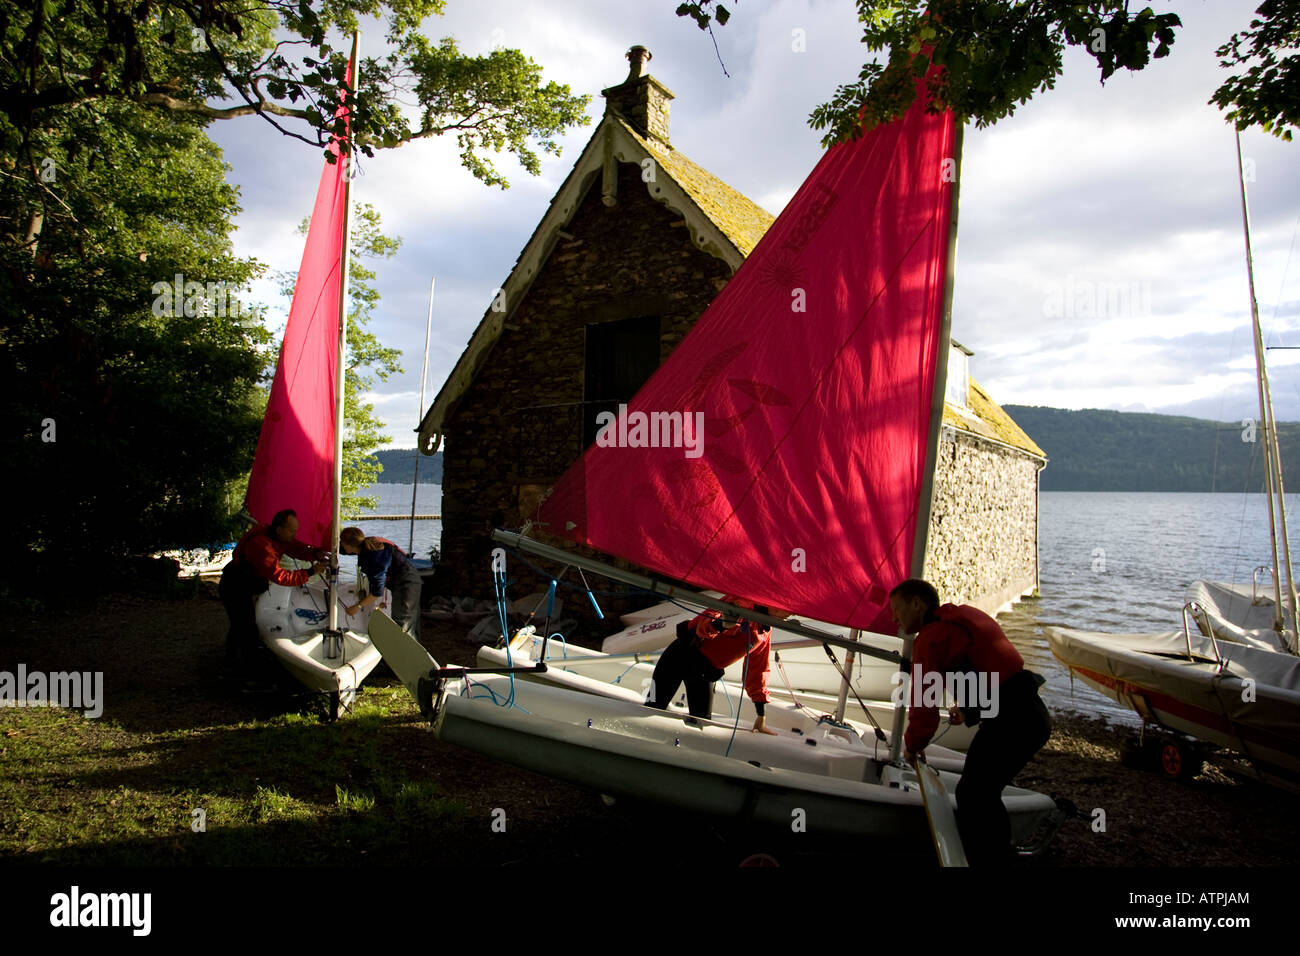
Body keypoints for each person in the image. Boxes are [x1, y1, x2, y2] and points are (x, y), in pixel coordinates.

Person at [889, 577, 1051, 867]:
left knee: (974, 794)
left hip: (1015, 720)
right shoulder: (962, 616)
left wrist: (912, 746)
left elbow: (923, 704)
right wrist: (969, 710)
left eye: (898, 610)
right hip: (1032, 713)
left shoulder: (931, 636)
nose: (894, 617)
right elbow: (996, 670)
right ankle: (999, 853)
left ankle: (988, 859)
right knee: (983, 791)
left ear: (917, 604)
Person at [219, 509, 329, 683]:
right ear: (279, 529)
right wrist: (310, 571)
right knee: (245, 628)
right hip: (235, 587)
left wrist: (314, 553)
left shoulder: (275, 536)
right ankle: (246, 675)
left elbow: (293, 547)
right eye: (292, 531)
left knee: (241, 626)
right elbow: (282, 577)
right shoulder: (262, 546)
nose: (295, 534)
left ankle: (234, 665)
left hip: (244, 585)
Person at [644, 597, 782, 735]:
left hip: (703, 673)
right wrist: (721, 624)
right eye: (788, 610)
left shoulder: (764, 631)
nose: (791, 615)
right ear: (775, 605)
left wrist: (761, 714)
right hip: (677, 658)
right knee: (653, 706)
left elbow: (758, 671)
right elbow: (705, 621)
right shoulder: (741, 605)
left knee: (701, 723)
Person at [338, 527, 423, 640]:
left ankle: (403, 653)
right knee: (409, 622)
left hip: (407, 583)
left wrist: (357, 606)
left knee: (403, 623)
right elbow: (341, 549)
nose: (340, 545)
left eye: (341, 542)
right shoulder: (363, 546)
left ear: (348, 545)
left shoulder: (375, 557)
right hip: (404, 580)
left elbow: (376, 593)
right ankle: (411, 651)